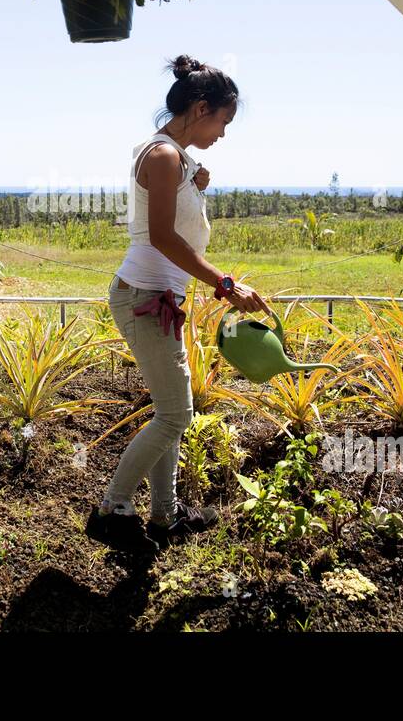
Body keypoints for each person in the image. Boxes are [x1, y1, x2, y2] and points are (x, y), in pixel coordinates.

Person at [85, 54, 270, 554]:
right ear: (201, 107)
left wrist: (194, 181)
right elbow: (164, 237)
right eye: (223, 122)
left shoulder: (176, 158)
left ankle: (165, 516)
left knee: (168, 411)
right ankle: (111, 510)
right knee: (175, 415)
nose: (223, 134)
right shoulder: (164, 155)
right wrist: (226, 285)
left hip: (158, 300)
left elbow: (170, 215)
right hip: (145, 297)